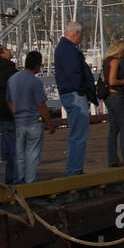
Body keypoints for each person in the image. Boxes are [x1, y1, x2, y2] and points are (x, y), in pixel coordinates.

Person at [54, 22, 97, 177]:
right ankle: (74, 169)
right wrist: (83, 90)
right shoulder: (69, 50)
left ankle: (75, 168)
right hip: (75, 95)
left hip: (70, 93)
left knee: (76, 133)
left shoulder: (63, 49)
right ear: (76, 33)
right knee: (78, 134)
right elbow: (74, 73)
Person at [7, 51, 55, 184]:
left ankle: (20, 179)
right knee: (32, 154)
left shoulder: (13, 79)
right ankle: (30, 181)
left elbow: (9, 101)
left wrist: (15, 113)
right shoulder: (35, 81)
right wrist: (49, 122)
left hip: (19, 121)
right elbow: (41, 104)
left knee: (20, 154)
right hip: (34, 121)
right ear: (37, 65)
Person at [101, 40, 124, 166]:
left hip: (108, 97)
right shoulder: (115, 61)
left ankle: (113, 159)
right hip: (115, 94)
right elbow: (112, 81)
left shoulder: (106, 61)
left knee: (113, 129)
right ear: (120, 51)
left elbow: (105, 79)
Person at [0, 43, 17, 183]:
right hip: (10, 113)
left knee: (6, 149)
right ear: (2, 54)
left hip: (1, 112)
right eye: (6, 50)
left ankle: (6, 177)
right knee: (15, 148)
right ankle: (17, 177)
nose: (9, 51)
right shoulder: (10, 70)